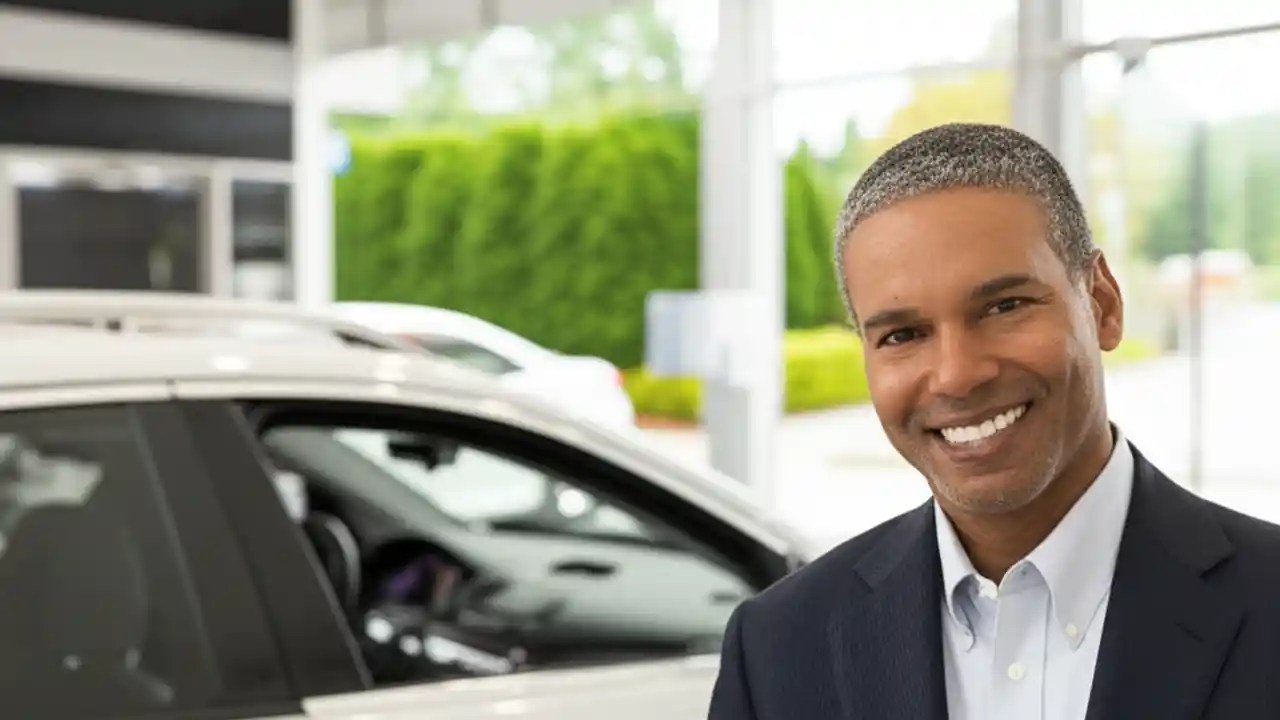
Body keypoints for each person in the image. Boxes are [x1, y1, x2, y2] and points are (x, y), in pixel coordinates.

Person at [708, 123, 1280, 720]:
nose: (957, 376)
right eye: (903, 334)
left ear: (1103, 304)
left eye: (1004, 307)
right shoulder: (778, 648)